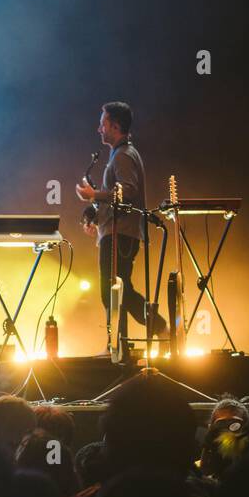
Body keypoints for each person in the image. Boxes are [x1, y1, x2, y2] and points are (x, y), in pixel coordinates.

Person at [75, 101, 166, 349]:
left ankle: (150, 331)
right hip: (117, 232)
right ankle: (120, 343)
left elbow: (127, 191)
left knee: (114, 291)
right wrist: (93, 214)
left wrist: (94, 195)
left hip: (120, 234)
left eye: (102, 123)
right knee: (117, 291)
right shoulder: (120, 154)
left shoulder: (124, 155)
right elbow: (114, 196)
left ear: (115, 126)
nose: (99, 129)